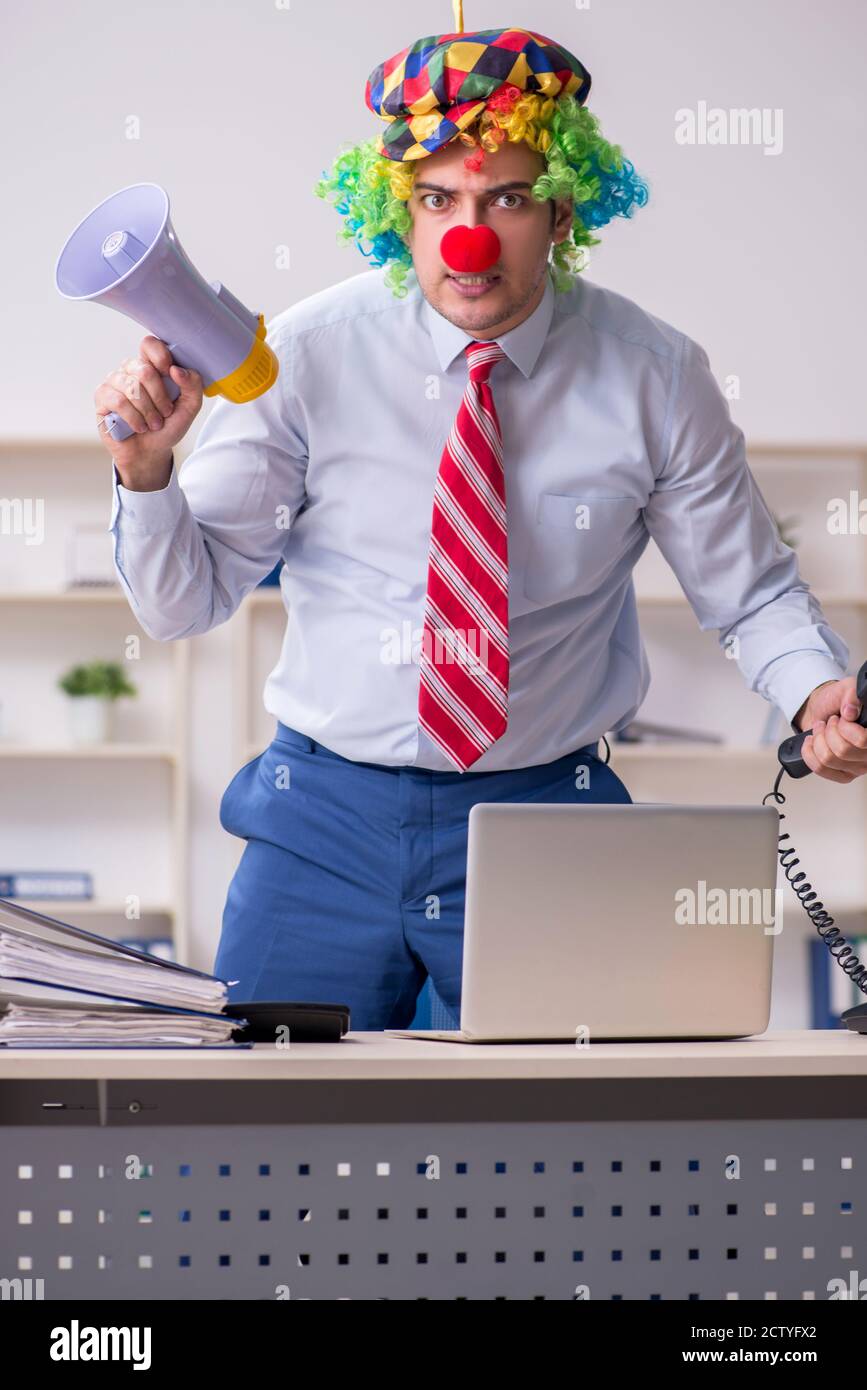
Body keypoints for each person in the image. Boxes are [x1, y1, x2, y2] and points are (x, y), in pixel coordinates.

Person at [96, 18, 866, 1030]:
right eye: (438, 200)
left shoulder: (659, 375)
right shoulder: (300, 356)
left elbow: (752, 590)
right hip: (321, 818)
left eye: (507, 198)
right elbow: (183, 604)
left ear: (562, 210)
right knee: (263, 1132)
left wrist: (816, 690)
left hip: (550, 813)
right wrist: (148, 476)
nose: (470, 236)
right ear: (397, 212)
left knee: (569, 1141)